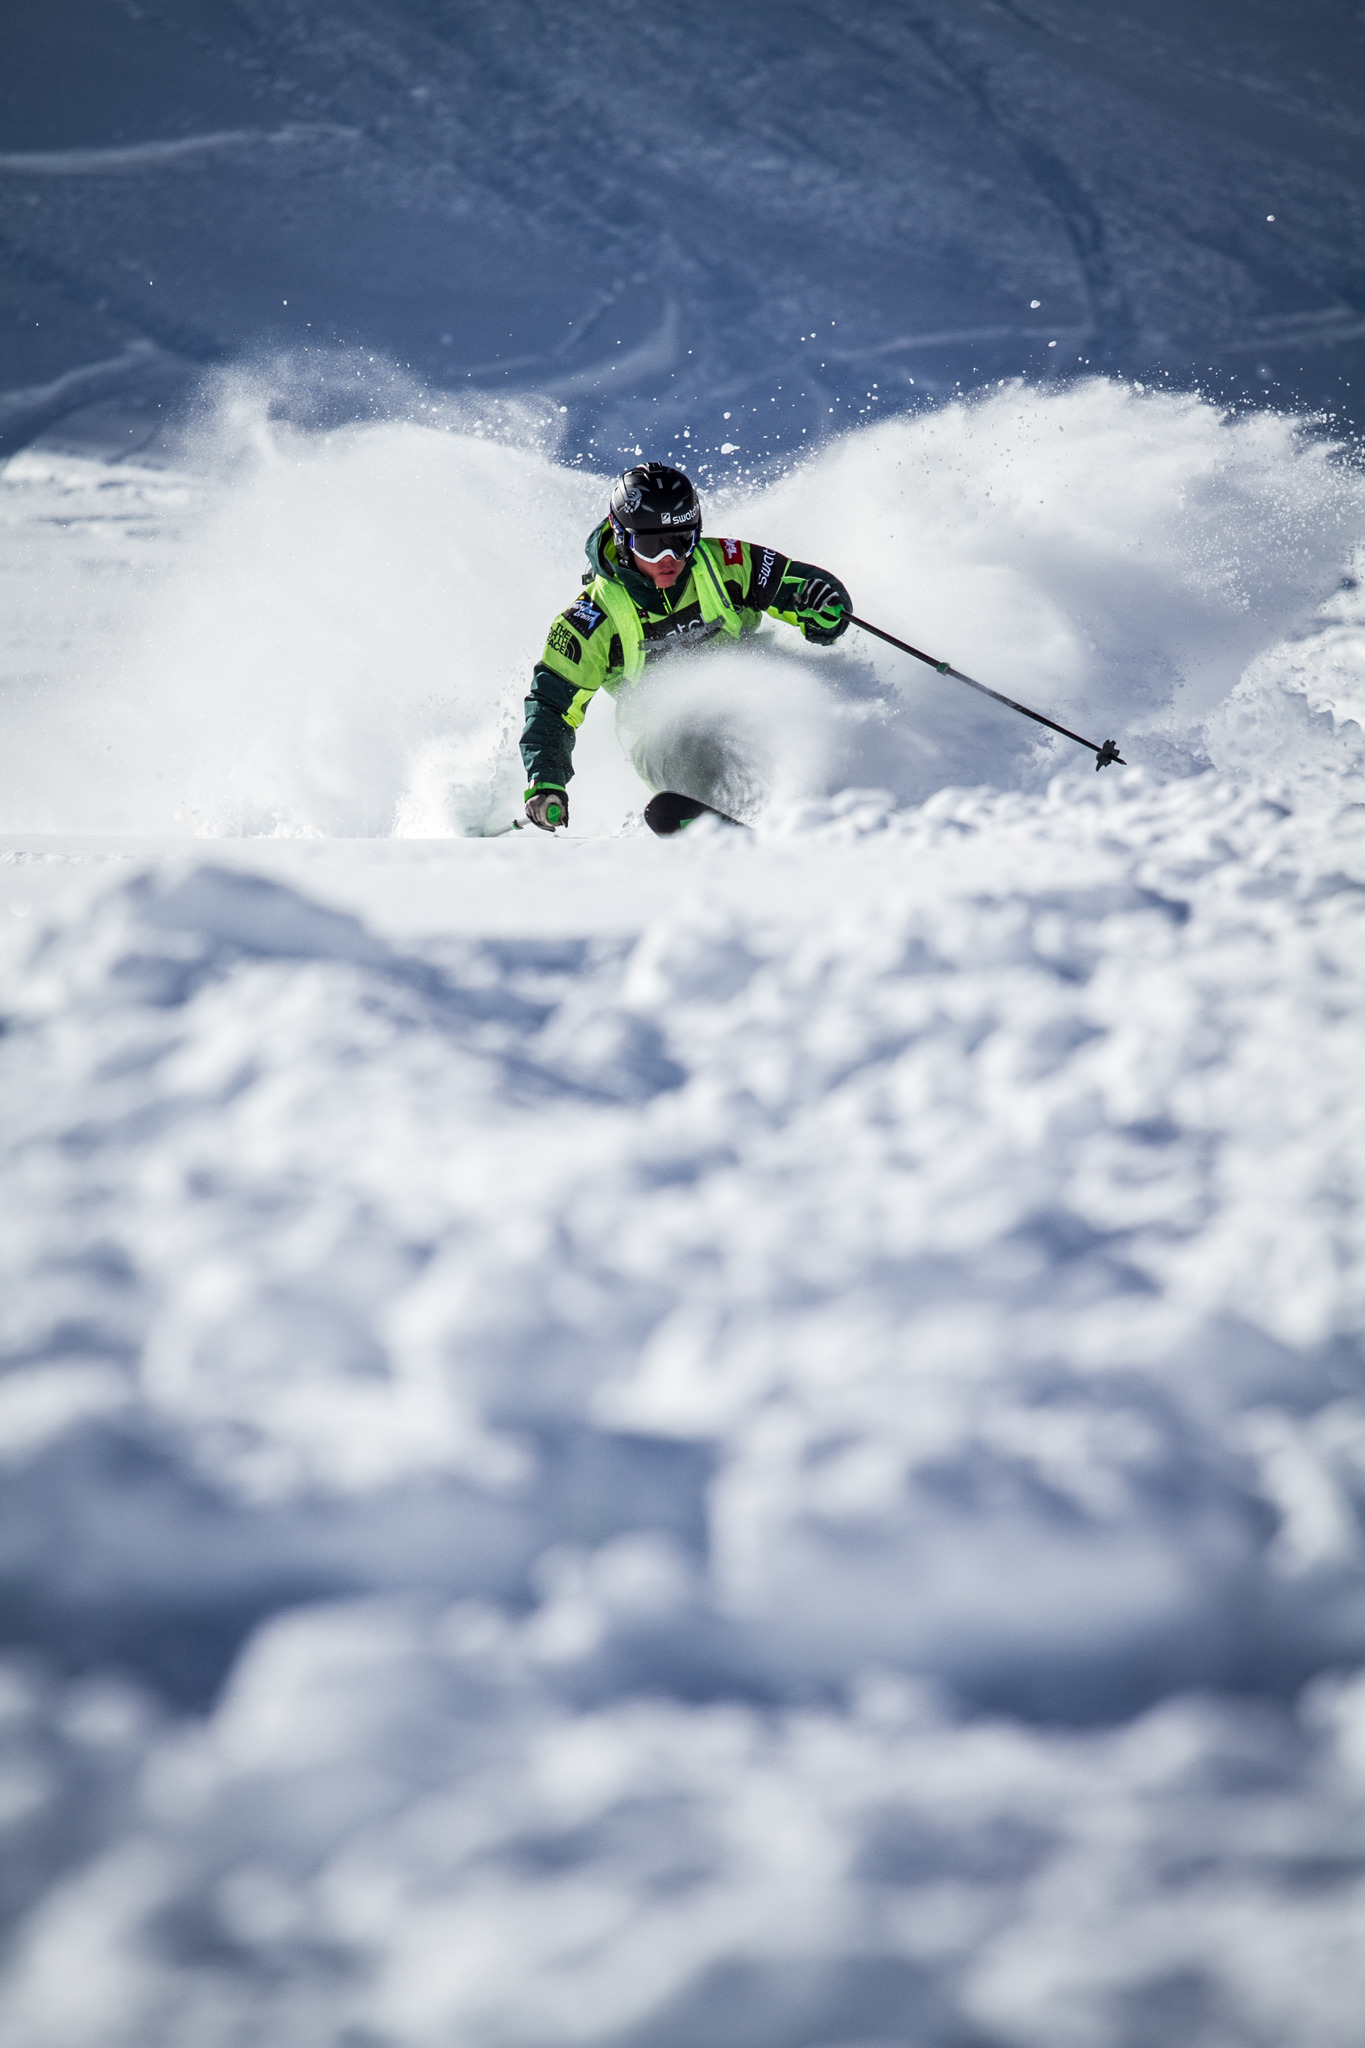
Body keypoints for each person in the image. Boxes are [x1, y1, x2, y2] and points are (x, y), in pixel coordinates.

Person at [520, 463, 852, 832]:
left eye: (682, 542)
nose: (670, 560)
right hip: (660, 739)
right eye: (651, 546)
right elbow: (551, 706)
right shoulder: (591, 619)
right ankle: (724, 815)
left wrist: (823, 608)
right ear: (621, 539)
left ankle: (821, 803)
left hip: (751, 703)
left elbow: (795, 583)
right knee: (686, 740)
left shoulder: (725, 562)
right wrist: (547, 781)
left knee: (801, 695)